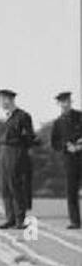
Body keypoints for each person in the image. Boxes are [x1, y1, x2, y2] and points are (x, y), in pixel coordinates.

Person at [0, 89, 37, 229]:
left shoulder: (23, 116)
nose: (0, 103)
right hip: (4, 151)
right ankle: (10, 218)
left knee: (16, 186)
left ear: (9, 100)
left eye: (2, 100)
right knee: (5, 187)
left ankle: (20, 219)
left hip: (16, 151)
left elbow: (29, 136)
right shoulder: (6, 117)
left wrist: (20, 150)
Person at [50, 91, 82, 229]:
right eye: (62, 102)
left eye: (67, 101)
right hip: (69, 160)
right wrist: (66, 147)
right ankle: (75, 221)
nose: (65, 104)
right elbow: (54, 143)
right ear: (58, 104)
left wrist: (80, 145)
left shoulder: (80, 116)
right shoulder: (58, 123)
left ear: (71, 102)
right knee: (71, 191)